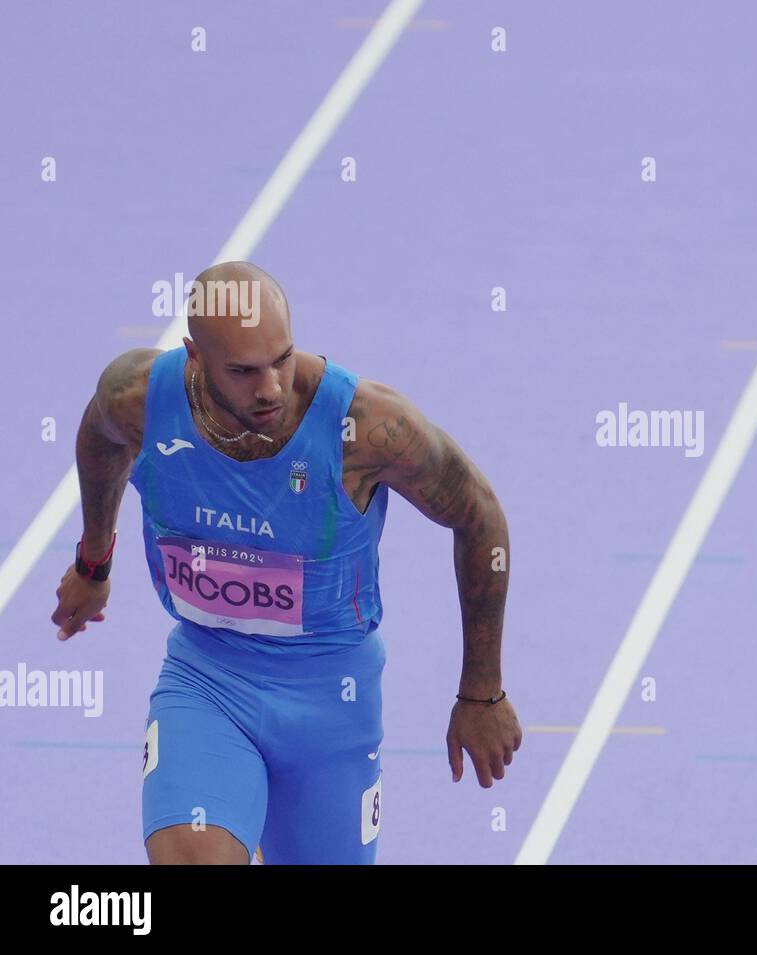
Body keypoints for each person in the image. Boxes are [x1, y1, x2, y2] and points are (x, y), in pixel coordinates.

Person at [51, 261, 521, 864]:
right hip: (208, 678)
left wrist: (481, 692)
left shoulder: (368, 430)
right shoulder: (138, 399)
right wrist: (94, 563)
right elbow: (99, 438)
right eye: (243, 371)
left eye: (282, 358)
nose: (270, 386)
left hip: (333, 699)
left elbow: (480, 516)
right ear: (195, 357)